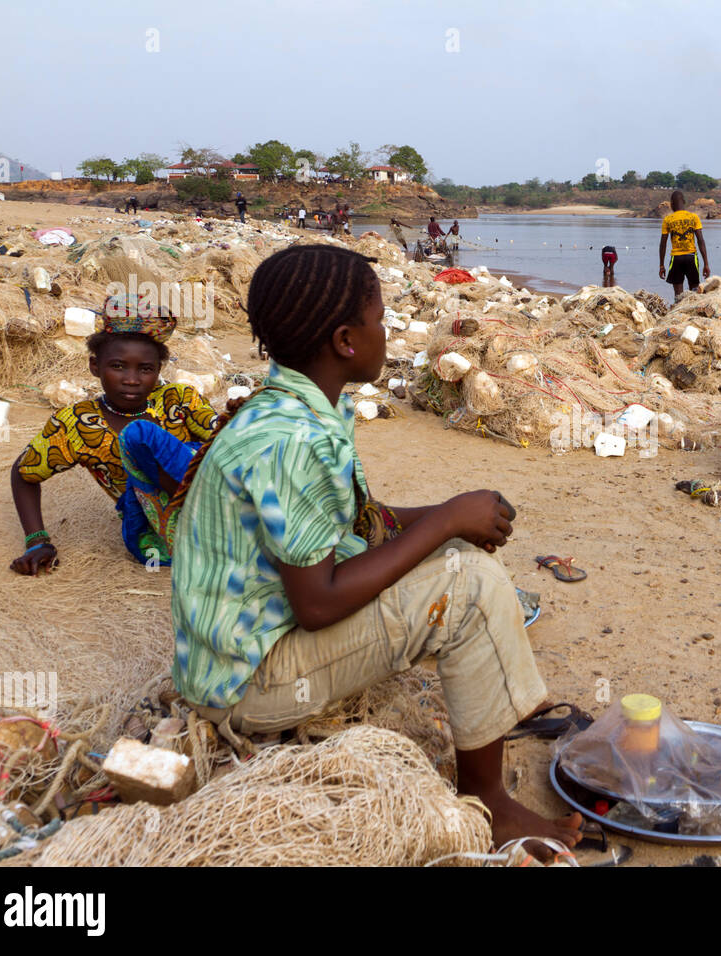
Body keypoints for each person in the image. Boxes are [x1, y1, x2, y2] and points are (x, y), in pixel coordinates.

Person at [168, 244, 583, 853]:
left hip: (244, 651)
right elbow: (317, 603)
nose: (385, 332)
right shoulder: (292, 441)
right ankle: (489, 804)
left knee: (454, 557)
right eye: (379, 319)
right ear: (345, 341)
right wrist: (442, 522)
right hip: (248, 683)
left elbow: (353, 523)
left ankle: (488, 723)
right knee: (467, 585)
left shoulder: (301, 405)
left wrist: (449, 522)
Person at [9, 295, 219, 575]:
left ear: (158, 370)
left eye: (145, 369)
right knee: (140, 436)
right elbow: (24, 473)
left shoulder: (178, 399)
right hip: (156, 533)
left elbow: (223, 441)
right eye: (118, 366)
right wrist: (37, 541)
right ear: (95, 366)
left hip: (216, 501)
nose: (131, 379)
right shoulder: (77, 425)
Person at [658, 190, 710, 301]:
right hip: (691, 257)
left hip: (676, 258)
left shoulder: (668, 219)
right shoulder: (693, 217)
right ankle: (693, 313)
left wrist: (661, 265)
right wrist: (706, 263)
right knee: (695, 290)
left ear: (671, 204)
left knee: (678, 295)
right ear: (684, 202)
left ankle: (679, 313)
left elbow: (663, 244)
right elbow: (701, 240)